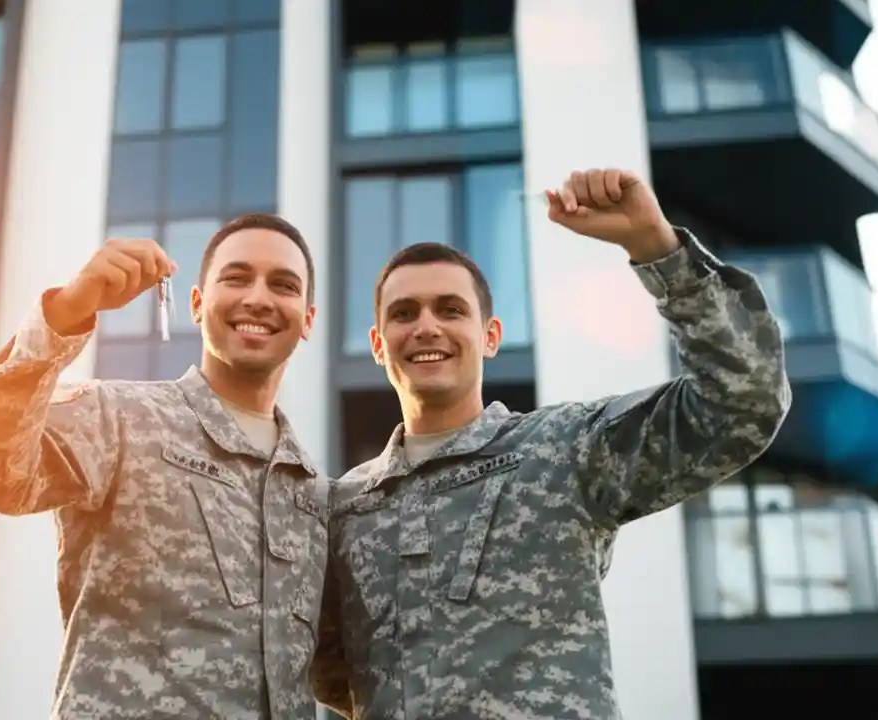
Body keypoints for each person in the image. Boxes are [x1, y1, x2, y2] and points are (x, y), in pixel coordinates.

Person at [311, 168, 791, 718]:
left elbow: (743, 404)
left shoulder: (565, 449)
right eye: (404, 314)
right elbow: (331, 670)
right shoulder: (344, 508)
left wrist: (654, 245)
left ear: (490, 336)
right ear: (378, 344)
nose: (426, 327)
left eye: (451, 309)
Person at [0, 213, 329, 718]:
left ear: (308, 319)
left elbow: (348, 667)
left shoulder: (316, 497)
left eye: (283, 285)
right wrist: (65, 314)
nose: (258, 297)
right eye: (236, 278)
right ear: (196, 302)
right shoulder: (117, 418)